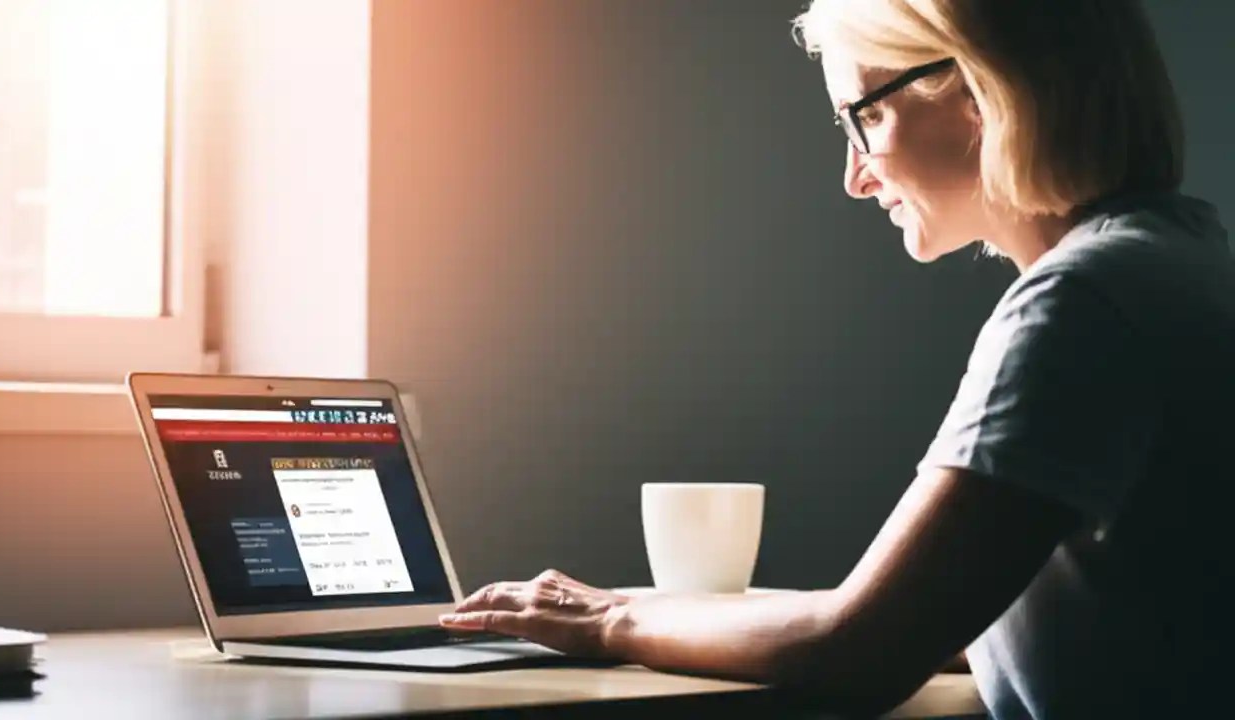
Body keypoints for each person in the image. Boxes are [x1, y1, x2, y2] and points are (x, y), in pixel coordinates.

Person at [440, 0, 1235, 716]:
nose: (856, 176)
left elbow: (857, 651)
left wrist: (612, 617)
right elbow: (968, 618)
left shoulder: (1084, 303)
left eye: (864, 119)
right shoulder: (1183, 260)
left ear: (976, 92)